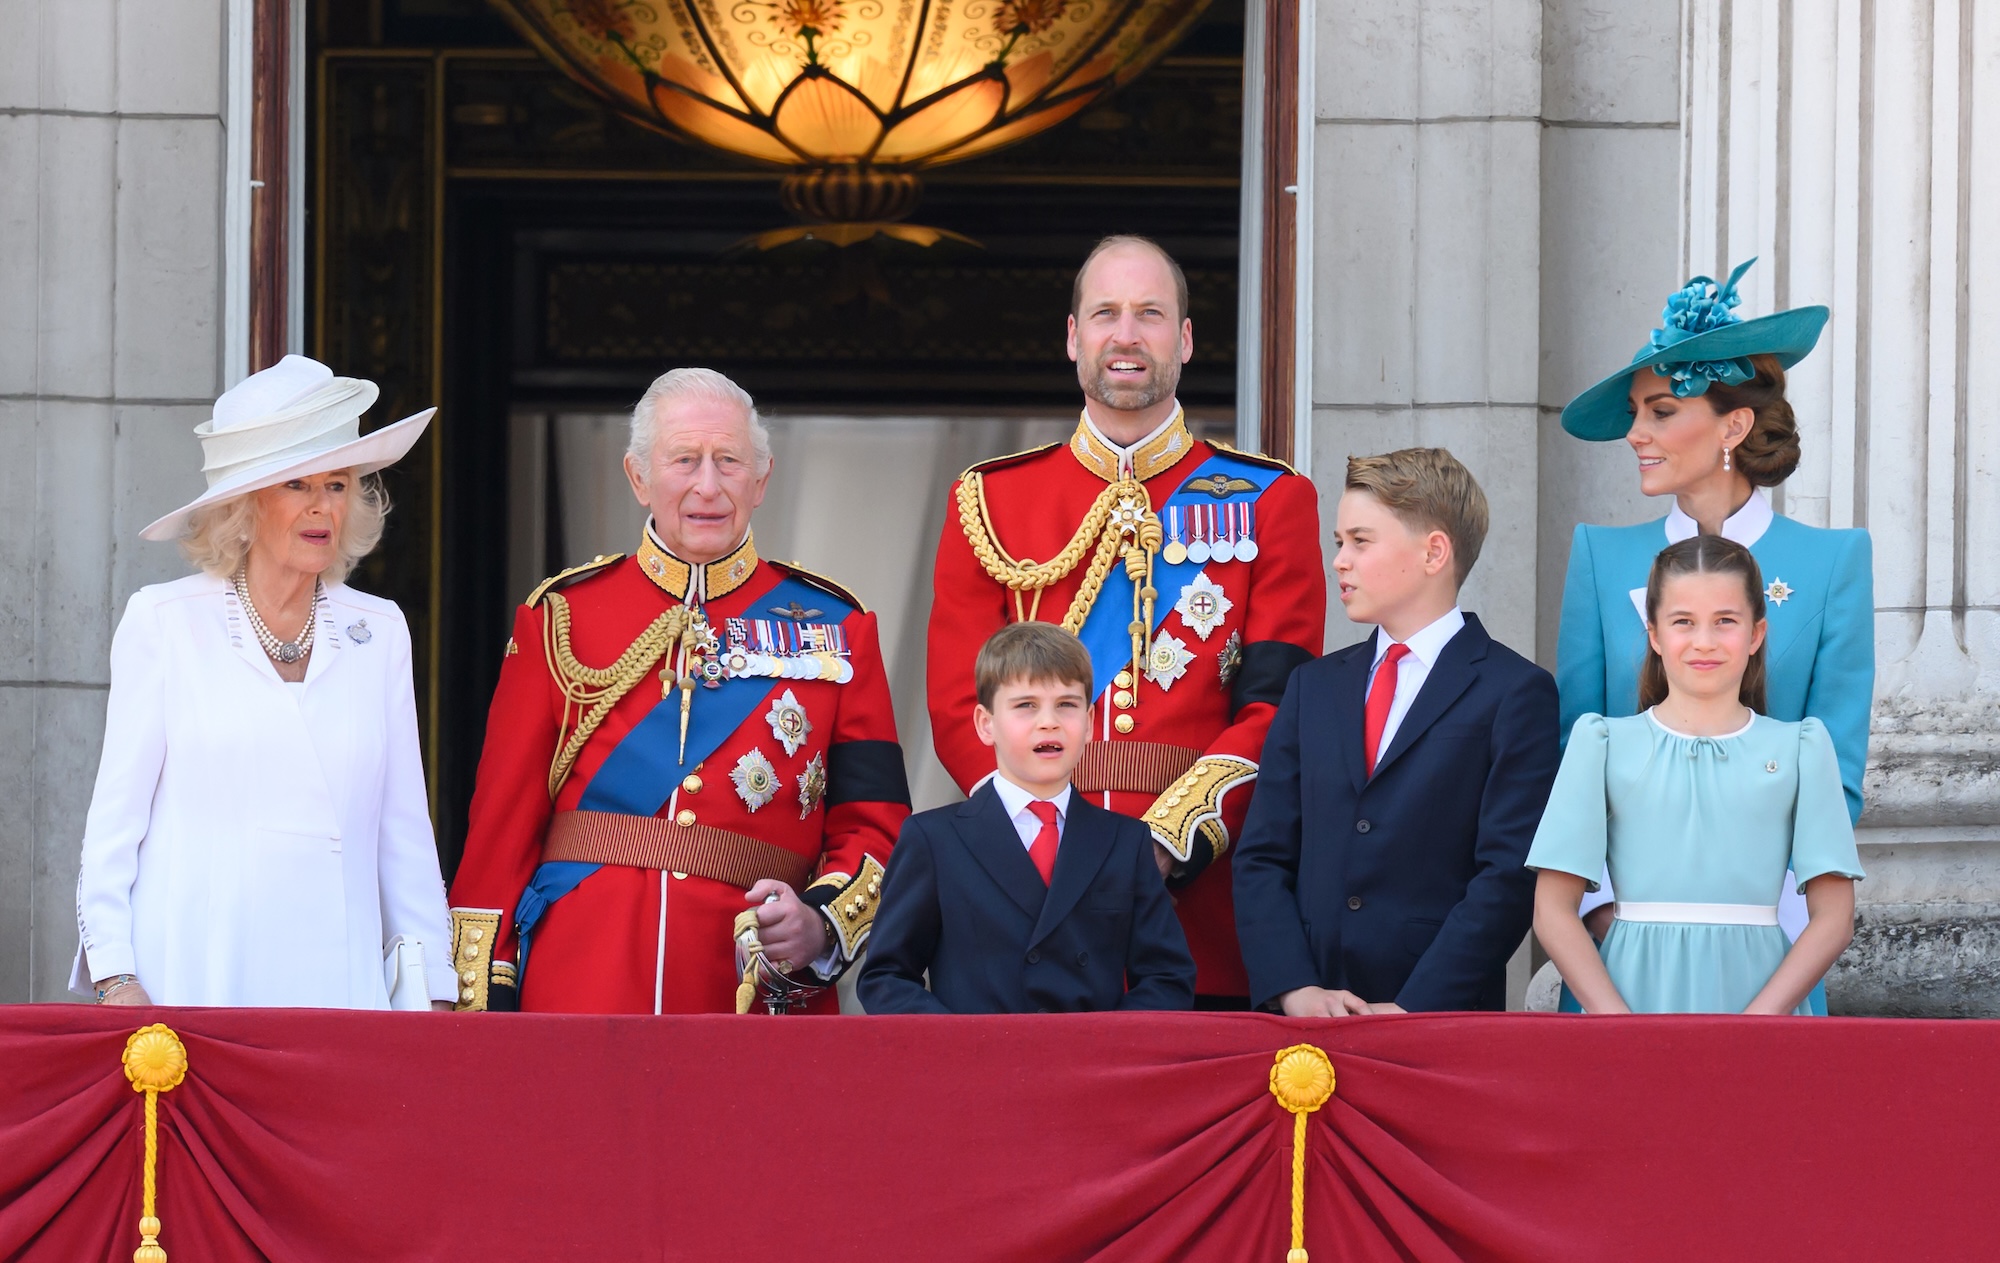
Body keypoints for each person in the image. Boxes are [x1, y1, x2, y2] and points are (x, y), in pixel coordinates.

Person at [925, 234, 1325, 1008]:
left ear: (1185, 339)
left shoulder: (1270, 500)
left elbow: (1276, 709)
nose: (1127, 334)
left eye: (1150, 313)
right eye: (1106, 313)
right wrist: (1038, 840)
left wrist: (1168, 843)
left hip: (1195, 914)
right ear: (1074, 336)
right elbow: (956, 705)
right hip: (1024, 909)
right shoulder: (989, 501)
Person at [447, 367, 908, 1014]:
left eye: (729, 461)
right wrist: (478, 1001)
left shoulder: (837, 625)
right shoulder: (561, 617)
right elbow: (500, 833)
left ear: (762, 477)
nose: (708, 486)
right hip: (578, 984)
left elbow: (877, 828)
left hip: (749, 991)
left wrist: (818, 921)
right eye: (685, 460)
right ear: (637, 477)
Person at [72, 354, 456, 1009]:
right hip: (194, 988)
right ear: (246, 505)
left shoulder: (380, 631)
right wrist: (117, 977)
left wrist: (434, 995)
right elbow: (114, 830)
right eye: (297, 485)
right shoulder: (165, 623)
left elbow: (404, 839)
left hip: (341, 1001)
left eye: (337, 484)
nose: (322, 508)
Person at [1555, 258, 1872, 1011]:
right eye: (1637, 412)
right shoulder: (1599, 557)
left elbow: (1841, 771)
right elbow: (1572, 748)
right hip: (1622, 953)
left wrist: (1783, 931)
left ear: (1733, 424)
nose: (1636, 433)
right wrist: (1603, 914)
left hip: (1773, 944)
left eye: (1661, 410)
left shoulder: (1833, 562)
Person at [1232, 449, 1559, 1014]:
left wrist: (1417, 1007)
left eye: (1361, 541)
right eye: (1339, 542)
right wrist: (1292, 987)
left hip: (1438, 1019)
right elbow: (1262, 854)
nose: (1339, 560)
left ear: (1434, 551)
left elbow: (1507, 874)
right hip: (1306, 1014)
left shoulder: (1514, 690)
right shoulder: (1312, 687)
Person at [1529, 536, 1863, 1014]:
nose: (1704, 641)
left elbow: (1835, 918)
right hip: (1628, 1000)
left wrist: (1759, 1021)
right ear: (1655, 635)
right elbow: (1552, 911)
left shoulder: (1800, 749)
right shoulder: (1602, 744)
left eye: (1725, 621)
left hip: (1760, 1002)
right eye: (1683, 622)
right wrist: (1617, 1023)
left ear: (1756, 634)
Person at [860, 623, 1195, 1014]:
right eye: (1026, 706)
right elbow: (886, 977)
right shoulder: (933, 839)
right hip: (977, 1066)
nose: (1049, 722)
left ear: (1088, 723)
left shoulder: (1126, 841)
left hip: (1091, 1067)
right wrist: (957, 1044)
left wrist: (1107, 1046)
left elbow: (1167, 977)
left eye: (1066, 705)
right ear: (986, 725)